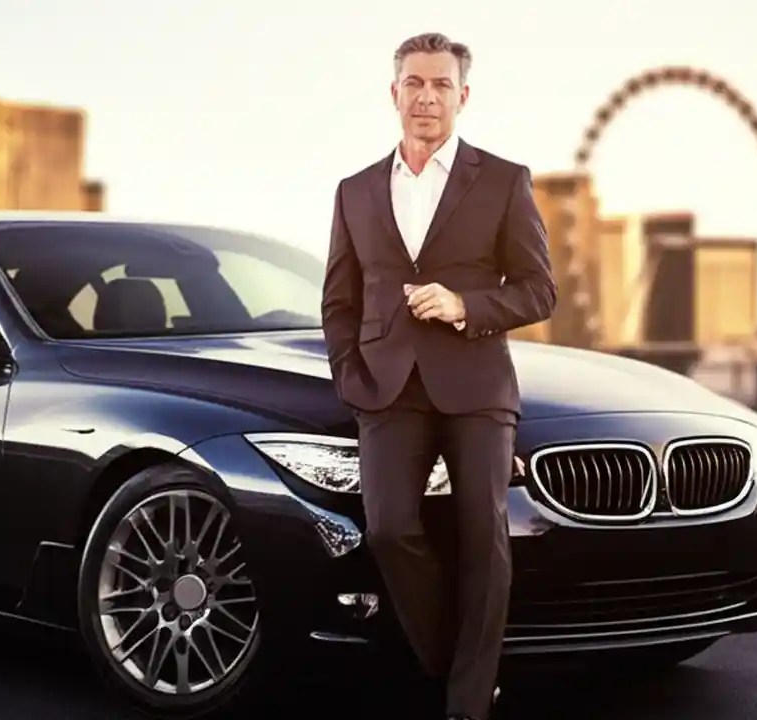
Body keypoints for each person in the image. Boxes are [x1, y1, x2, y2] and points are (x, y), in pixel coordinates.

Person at [320, 32, 557, 720]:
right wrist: (348, 372)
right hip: (385, 386)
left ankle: (467, 703)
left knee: (485, 533)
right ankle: (453, 662)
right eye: (414, 83)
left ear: (463, 96)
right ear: (394, 92)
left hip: (476, 384)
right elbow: (339, 298)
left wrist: (467, 306)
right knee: (390, 527)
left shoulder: (505, 180)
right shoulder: (355, 190)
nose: (427, 97)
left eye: (441, 85)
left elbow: (540, 291)